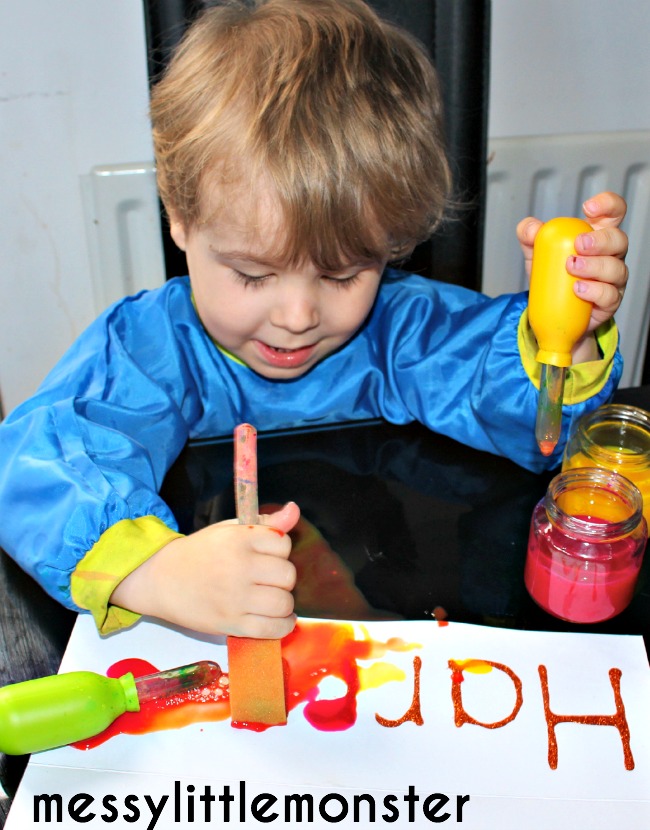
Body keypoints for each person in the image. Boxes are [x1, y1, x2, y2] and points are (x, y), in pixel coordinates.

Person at [0, 0, 629, 642]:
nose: (297, 317)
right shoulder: (150, 349)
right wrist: (156, 570)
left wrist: (567, 340)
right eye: (252, 274)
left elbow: (540, 432)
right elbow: (37, 464)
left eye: (340, 276)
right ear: (180, 217)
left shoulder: (398, 329)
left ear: (388, 248)